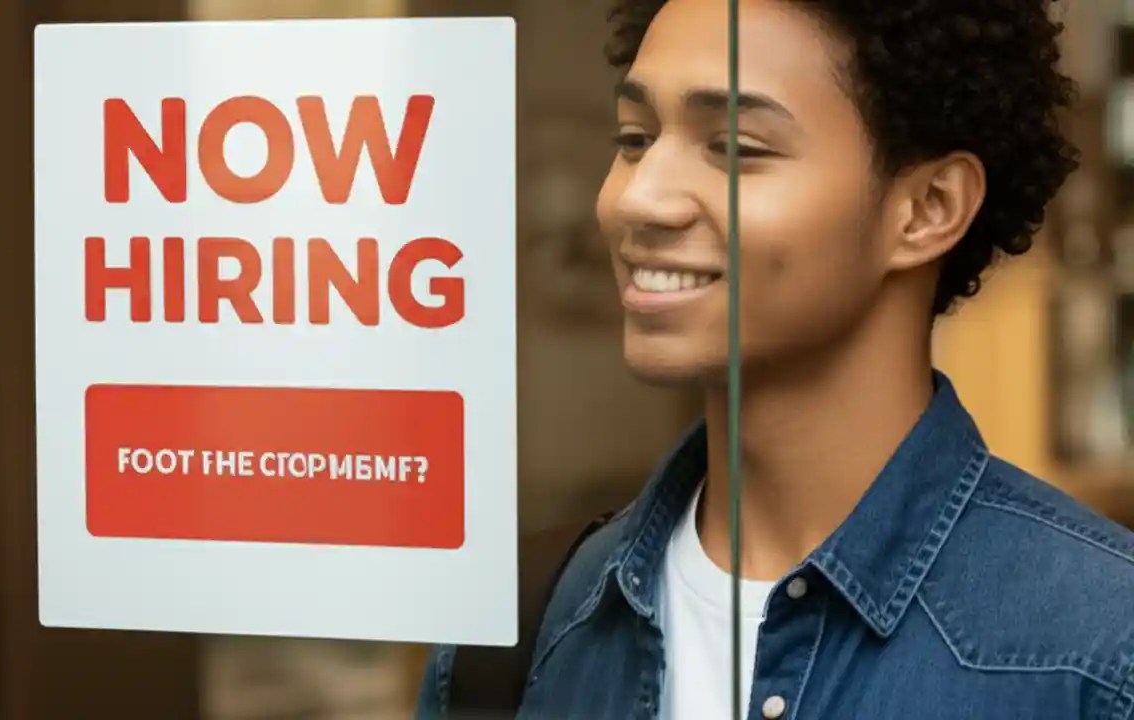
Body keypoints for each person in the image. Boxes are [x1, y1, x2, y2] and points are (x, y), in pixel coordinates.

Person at [417, 0, 1134, 717]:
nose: (638, 198)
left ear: (928, 208)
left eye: (735, 147)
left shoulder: (1099, 653)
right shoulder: (517, 638)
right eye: (635, 138)